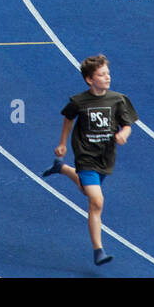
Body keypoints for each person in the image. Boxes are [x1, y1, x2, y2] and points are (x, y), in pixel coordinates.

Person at [42, 54, 137, 267]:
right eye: (101, 75)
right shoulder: (79, 102)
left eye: (108, 73)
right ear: (89, 79)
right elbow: (68, 119)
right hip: (85, 156)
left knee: (87, 191)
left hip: (106, 158)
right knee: (96, 201)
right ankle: (98, 250)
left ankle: (62, 168)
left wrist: (124, 134)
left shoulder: (118, 100)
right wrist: (63, 143)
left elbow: (127, 124)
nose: (107, 77)